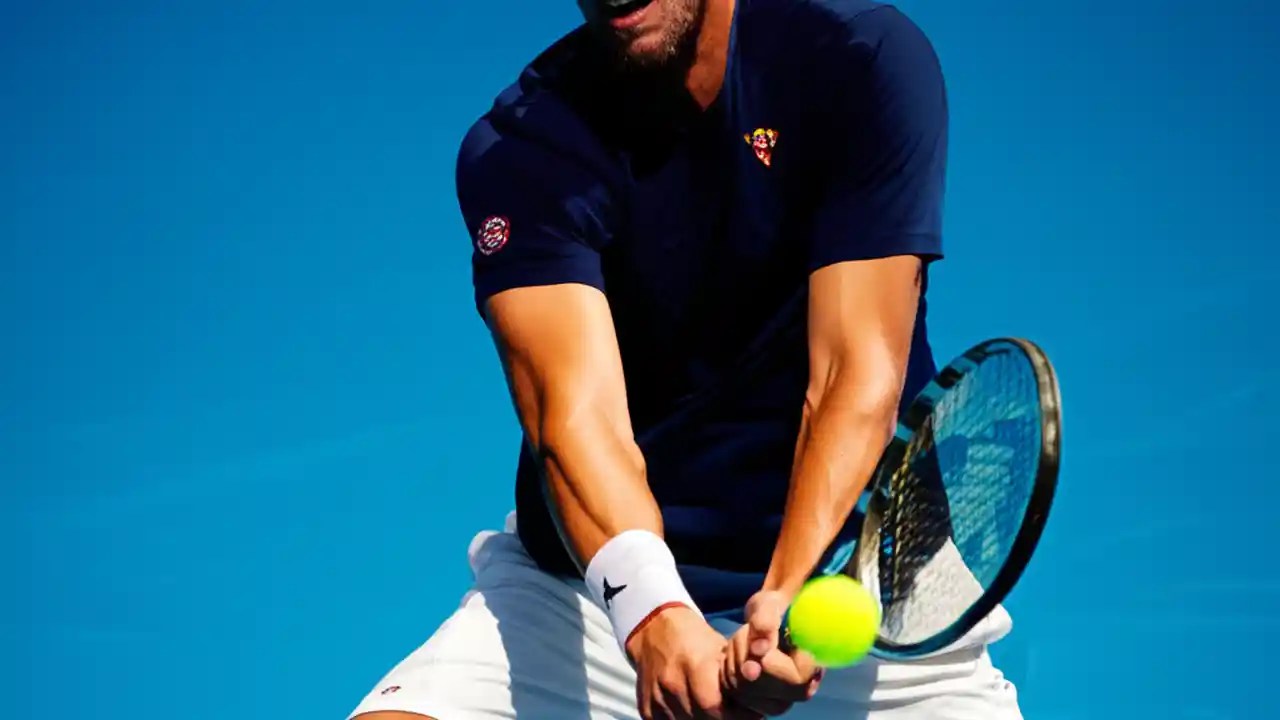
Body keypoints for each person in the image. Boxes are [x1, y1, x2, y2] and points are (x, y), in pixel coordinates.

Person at [348, 0, 1021, 718]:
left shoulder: (854, 55)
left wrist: (786, 604)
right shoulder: (521, 149)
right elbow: (574, 421)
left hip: (861, 594)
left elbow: (853, 378)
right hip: (581, 602)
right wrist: (653, 613)